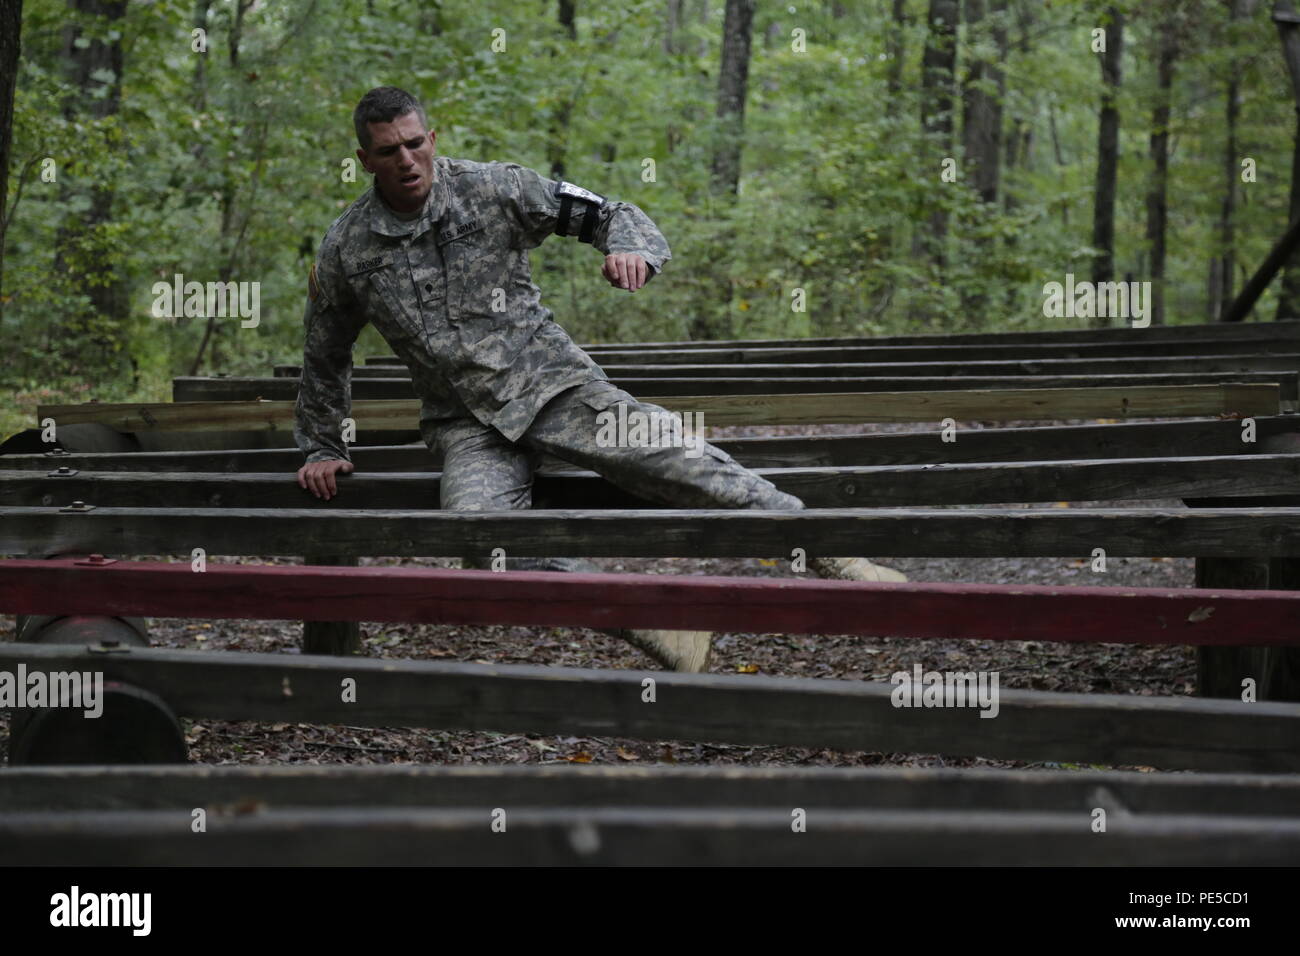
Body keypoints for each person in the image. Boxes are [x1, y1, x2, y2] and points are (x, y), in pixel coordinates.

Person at [294, 86, 906, 673]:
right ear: (365, 160)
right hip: (468, 425)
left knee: (676, 458)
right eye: (388, 151)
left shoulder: (495, 188)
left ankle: (837, 555)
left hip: (552, 386)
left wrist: (631, 250)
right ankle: (653, 620)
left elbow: (608, 213)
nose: (406, 160)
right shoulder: (349, 247)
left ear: (432, 139)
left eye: (414, 144)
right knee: (482, 545)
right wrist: (323, 445)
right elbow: (325, 350)